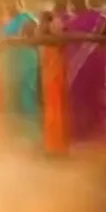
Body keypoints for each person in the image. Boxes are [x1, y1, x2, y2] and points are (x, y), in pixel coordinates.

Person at [65, 0, 106, 149]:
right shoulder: (70, 21)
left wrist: (82, 37)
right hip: (75, 69)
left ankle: (99, 140)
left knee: (97, 102)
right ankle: (81, 139)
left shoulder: (100, 19)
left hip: (96, 66)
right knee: (77, 102)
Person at [0, 0, 41, 146]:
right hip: (10, 61)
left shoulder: (27, 18)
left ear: (19, 1)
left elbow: (35, 38)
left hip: (26, 60)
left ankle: (32, 137)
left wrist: (13, 40)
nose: (9, 4)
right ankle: (14, 136)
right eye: (6, 1)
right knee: (11, 97)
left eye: (12, 0)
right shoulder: (7, 21)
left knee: (27, 95)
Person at [38, 9, 67, 155]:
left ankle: (57, 145)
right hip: (47, 68)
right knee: (50, 107)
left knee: (55, 107)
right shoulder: (45, 32)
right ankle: (51, 144)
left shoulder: (56, 27)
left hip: (54, 68)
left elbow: (58, 40)